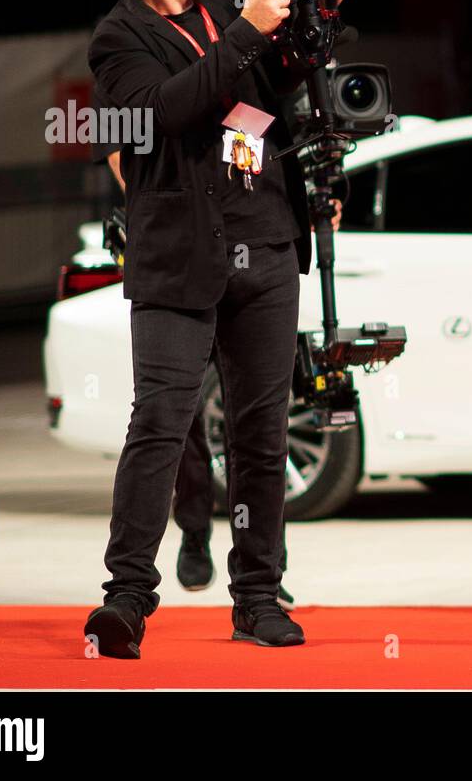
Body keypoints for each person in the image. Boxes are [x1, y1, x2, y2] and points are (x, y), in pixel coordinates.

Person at [82, 0, 348, 659]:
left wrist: (314, 14)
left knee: (261, 435)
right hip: (176, 258)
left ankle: (258, 596)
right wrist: (245, 34)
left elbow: (275, 88)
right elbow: (162, 115)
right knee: (158, 427)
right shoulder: (118, 39)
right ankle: (127, 599)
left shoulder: (222, 12)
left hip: (265, 243)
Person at [98, 140, 341, 612]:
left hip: (256, 253)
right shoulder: (139, 75)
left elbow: (280, 141)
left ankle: (264, 579)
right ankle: (192, 531)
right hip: (180, 256)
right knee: (175, 416)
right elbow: (121, 155)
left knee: (259, 424)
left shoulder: (262, 72)